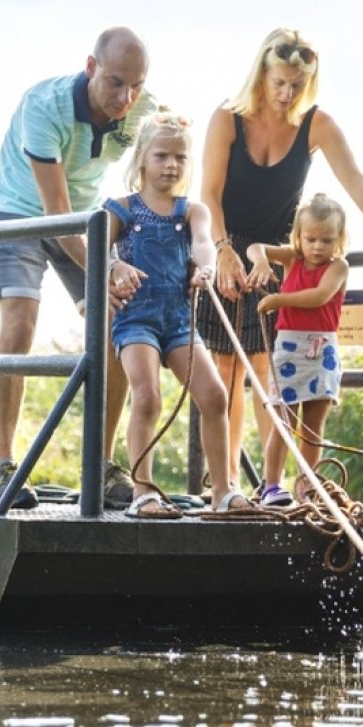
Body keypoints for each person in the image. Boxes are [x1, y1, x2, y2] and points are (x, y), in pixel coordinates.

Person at [197, 28, 363, 506]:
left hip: (280, 256)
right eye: (279, 82)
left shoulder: (317, 123)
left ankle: (275, 486)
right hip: (228, 248)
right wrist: (223, 250)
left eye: (297, 85)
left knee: (269, 371)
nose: (286, 94)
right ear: (262, 73)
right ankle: (227, 484)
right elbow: (209, 193)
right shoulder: (227, 117)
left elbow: (353, 177)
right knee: (227, 368)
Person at [0, 27, 157, 510]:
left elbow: (161, 164)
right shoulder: (44, 107)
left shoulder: (142, 108)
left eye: (136, 86)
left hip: (85, 217)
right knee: (19, 321)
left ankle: (100, 465)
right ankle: (2, 465)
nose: (125, 98)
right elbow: (55, 215)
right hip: (21, 211)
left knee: (117, 323)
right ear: (91, 67)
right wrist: (108, 266)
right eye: (116, 82)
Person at [103, 114, 252, 518]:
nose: (171, 165)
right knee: (147, 395)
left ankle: (222, 490)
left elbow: (203, 243)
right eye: (162, 156)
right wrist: (114, 267)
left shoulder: (192, 210)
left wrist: (206, 267)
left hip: (179, 319)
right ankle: (143, 492)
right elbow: (97, 250)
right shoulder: (121, 209)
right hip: (136, 318)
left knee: (214, 395)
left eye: (180, 157)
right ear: (142, 157)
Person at [248, 193, 350, 503]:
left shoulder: (339, 267)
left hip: (322, 351)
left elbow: (320, 296)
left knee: (313, 426)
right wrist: (261, 261)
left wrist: (279, 300)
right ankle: (271, 485)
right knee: (284, 421)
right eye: (311, 239)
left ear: (339, 239)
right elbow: (255, 247)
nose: (318, 247)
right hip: (290, 349)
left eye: (327, 240)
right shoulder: (292, 259)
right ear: (299, 237)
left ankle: (307, 485)